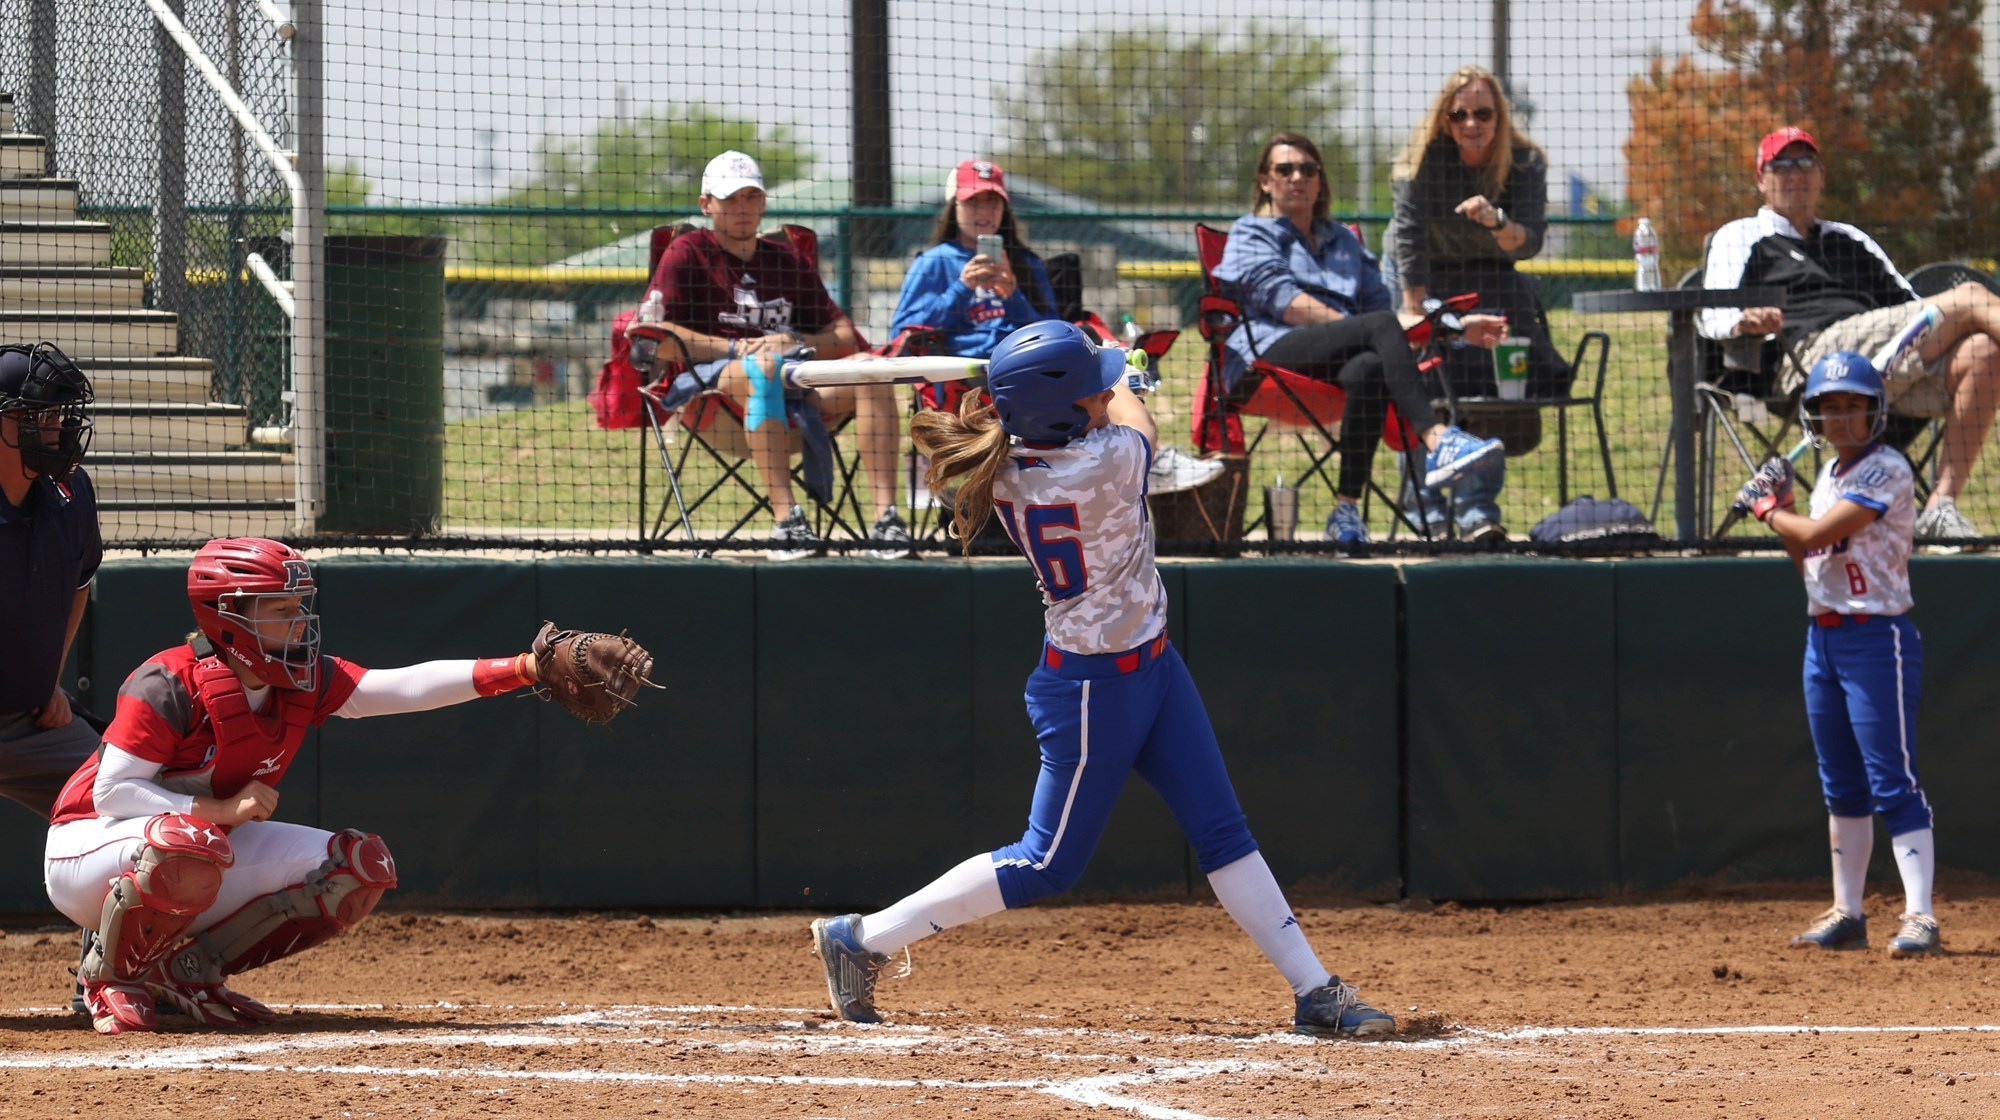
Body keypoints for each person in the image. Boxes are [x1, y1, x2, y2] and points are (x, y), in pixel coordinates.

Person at [807, 320, 1397, 1037]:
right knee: (1045, 861)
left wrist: (1090, 381)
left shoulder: (1011, 465)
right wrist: (1124, 378)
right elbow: (1133, 415)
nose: (1098, 394)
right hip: (1093, 689)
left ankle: (1315, 989)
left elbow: (1086, 409)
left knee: (1223, 831)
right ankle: (861, 938)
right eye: (1083, 390)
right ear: (1055, 410)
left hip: (1150, 663)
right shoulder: (1105, 461)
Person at [42, 537, 575, 1035]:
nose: (298, 622)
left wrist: (525, 668)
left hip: (185, 848)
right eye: (280, 609)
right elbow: (113, 793)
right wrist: (220, 808)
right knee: (191, 842)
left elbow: (404, 686)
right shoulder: (167, 682)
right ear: (229, 617)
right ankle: (108, 975)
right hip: (87, 846)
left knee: (357, 868)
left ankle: (184, 971)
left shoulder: (301, 678)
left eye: (299, 606)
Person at [1730, 352, 1941, 959]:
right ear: (1814, 417)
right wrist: (1792, 500)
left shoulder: (1886, 471)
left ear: (1874, 412)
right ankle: (1848, 912)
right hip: (1821, 638)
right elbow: (1811, 562)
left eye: (1853, 405)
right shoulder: (1827, 478)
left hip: (1878, 638)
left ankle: (1920, 915)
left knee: (1891, 779)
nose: (1841, 417)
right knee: (1840, 783)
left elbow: (1816, 535)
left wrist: (1772, 510)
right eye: (1829, 407)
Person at [1702, 126, 2000, 541]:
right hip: (1807, 360)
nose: (1795, 174)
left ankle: (1938, 509)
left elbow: (1912, 306)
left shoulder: (1851, 239)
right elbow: (1711, 316)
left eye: (1805, 163)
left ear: (1821, 175)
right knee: (1969, 297)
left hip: (1884, 369)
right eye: (1781, 165)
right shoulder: (1739, 236)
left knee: (1985, 351)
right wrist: (1745, 321)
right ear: (1760, 178)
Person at [1215, 131, 1508, 544]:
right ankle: (1437, 439)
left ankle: (1346, 511)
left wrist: (1451, 325)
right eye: (1285, 169)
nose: (1297, 176)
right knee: (1378, 327)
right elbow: (1285, 301)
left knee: (1371, 367)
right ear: (1266, 181)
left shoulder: (1345, 241)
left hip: (1342, 359)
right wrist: (1364, 328)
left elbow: (1384, 309)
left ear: (1320, 181)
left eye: (1308, 169)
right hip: (1268, 356)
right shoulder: (1251, 232)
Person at [891, 158, 1223, 495]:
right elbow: (903, 333)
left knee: (1104, 368)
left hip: (1033, 366)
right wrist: (960, 289)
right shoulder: (933, 262)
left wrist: (1014, 294)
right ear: (954, 206)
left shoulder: (1025, 262)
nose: (984, 210)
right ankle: (1144, 459)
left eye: (992, 201)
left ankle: (1141, 457)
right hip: (969, 376)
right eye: (973, 200)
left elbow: (1053, 330)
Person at [639, 149, 911, 559]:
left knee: (871, 368)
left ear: (764, 202)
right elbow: (653, 335)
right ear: (706, 204)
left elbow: (841, 334)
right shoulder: (689, 251)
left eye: (751, 197)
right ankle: (788, 522)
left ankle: (886, 521)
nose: (742, 209)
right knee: (763, 366)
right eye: (730, 199)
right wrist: (737, 348)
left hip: (797, 380)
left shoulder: (787, 259)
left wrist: (797, 339)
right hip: (715, 393)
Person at [1384, 65, 1566, 542]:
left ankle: (1475, 512)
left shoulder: (1525, 162)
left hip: (1491, 273)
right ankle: (1420, 506)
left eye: (1482, 113)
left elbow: (1528, 244)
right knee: (1423, 374)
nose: (1471, 123)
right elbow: (1407, 240)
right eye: (1459, 114)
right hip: (1420, 272)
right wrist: (1416, 316)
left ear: (1499, 116)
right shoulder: (1419, 162)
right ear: (1445, 120)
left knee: (1486, 380)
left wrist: (1494, 219)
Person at [0, 342, 101, 824]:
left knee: (138, 810)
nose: (58, 427)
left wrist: (48, 681)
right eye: (42, 413)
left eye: (60, 412)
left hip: (31, 724)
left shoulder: (71, 493)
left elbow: (78, 585)